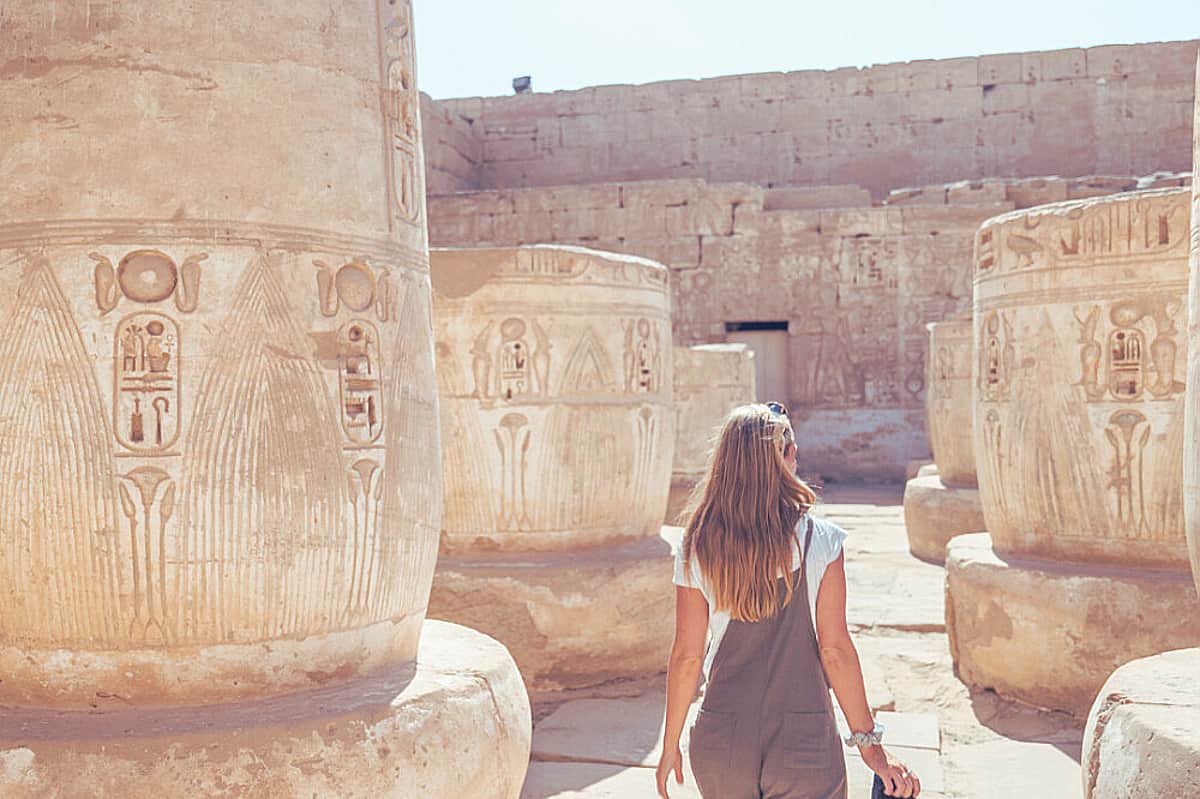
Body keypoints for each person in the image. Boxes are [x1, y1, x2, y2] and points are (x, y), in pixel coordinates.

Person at [656, 403, 920, 799]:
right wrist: (872, 750)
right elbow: (835, 652)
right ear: (788, 458)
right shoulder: (822, 542)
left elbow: (687, 656)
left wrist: (669, 744)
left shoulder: (697, 544)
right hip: (805, 743)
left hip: (721, 739)